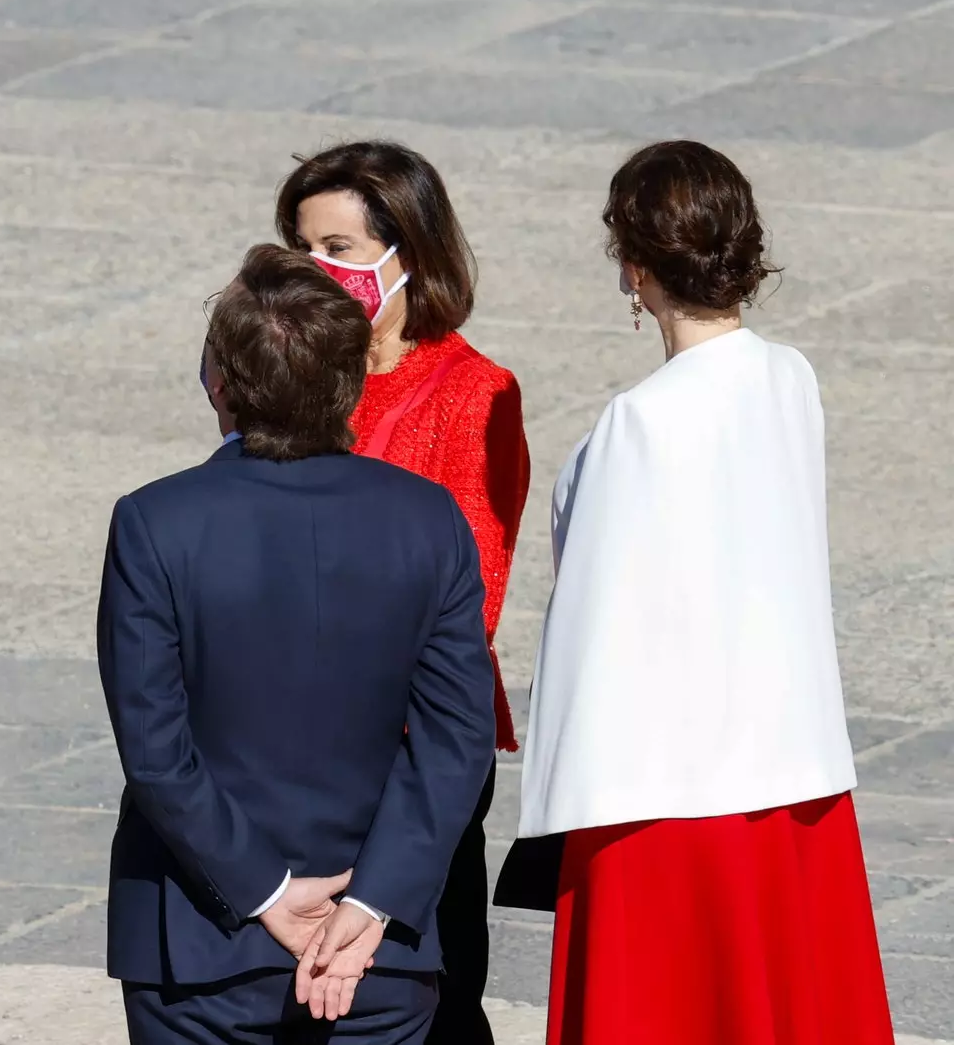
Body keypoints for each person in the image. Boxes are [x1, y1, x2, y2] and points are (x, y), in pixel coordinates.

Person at [516, 140, 894, 1045]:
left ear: (634, 270)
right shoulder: (790, 376)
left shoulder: (639, 422)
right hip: (794, 782)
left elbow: (593, 624)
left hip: (663, 802)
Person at [100, 243, 498, 1044]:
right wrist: (373, 899)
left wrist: (265, 892)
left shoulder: (156, 522)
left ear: (220, 382)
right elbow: (459, 741)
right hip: (376, 952)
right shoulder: (428, 521)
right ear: (350, 384)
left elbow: (156, 750)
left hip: (201, 943)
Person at [276, 139, 530, 1045]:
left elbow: (472, 593)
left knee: (426, 989)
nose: (316, 269)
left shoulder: (472, 392)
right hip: (292, 747)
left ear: (406, 253)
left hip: (414, 748)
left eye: (338, 249)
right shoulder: (295, 381)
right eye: (301, 248)